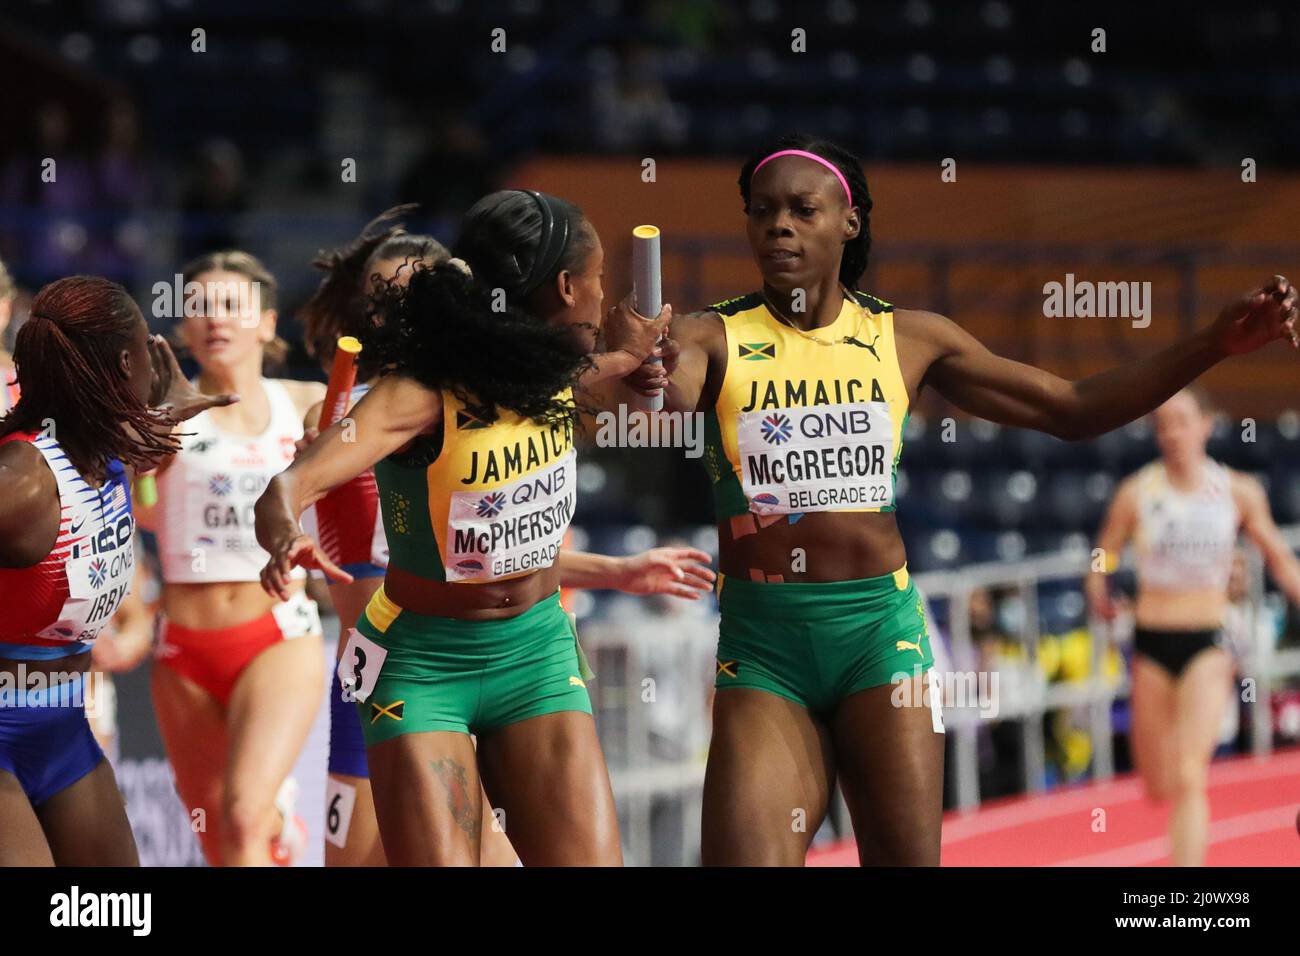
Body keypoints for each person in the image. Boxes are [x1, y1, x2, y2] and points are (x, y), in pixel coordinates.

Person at [618, 133, 1298, 865]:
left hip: (882, 642)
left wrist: (1212, 344)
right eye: (761, 211)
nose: (779, 225)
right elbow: (659, 392)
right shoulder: (708, 336)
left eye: (801, 209)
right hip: (764, 650)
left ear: (847, 222)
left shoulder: (908, 340)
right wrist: (637, 366)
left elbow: (1073, 407)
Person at [256, 189, 673, 865]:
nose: (605, 296)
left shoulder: (556, 372)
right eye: (598, 281)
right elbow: (288, 486)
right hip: (423, 666)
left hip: (536, 653)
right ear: (566, 288)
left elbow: (581, 377)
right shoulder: (415, 394)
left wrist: (633, 360)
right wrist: (284, 535)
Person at [0, 274, 234, 865]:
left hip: (62, 726)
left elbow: (145, 440)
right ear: (129, 360)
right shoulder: (23, 483)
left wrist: (171, 411)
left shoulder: (110, 446)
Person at [134, 250, 327, 866]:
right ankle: (276, 824)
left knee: (241, 813)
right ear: (185, 327)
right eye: (200, 307)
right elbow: (135, 509)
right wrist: (148, 444)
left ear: (268, 324)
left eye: (231, 305)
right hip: (182, 648)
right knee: (220, 838)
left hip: (275, 635)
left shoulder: (306, 402)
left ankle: (268, 816)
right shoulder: (158, 414)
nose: (215, 318)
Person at [1086, 387, 1300, 864]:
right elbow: (1105, 550)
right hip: (1150, 643)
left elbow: (1279, 559)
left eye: (1182, 421)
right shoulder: (1137, 492)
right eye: (1163, 425)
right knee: (1158, 783)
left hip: (1207, 641)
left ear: (1206, 425)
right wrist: (1097, 581)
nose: (1172, 433)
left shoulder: (1237, 491)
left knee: (1188, 774)